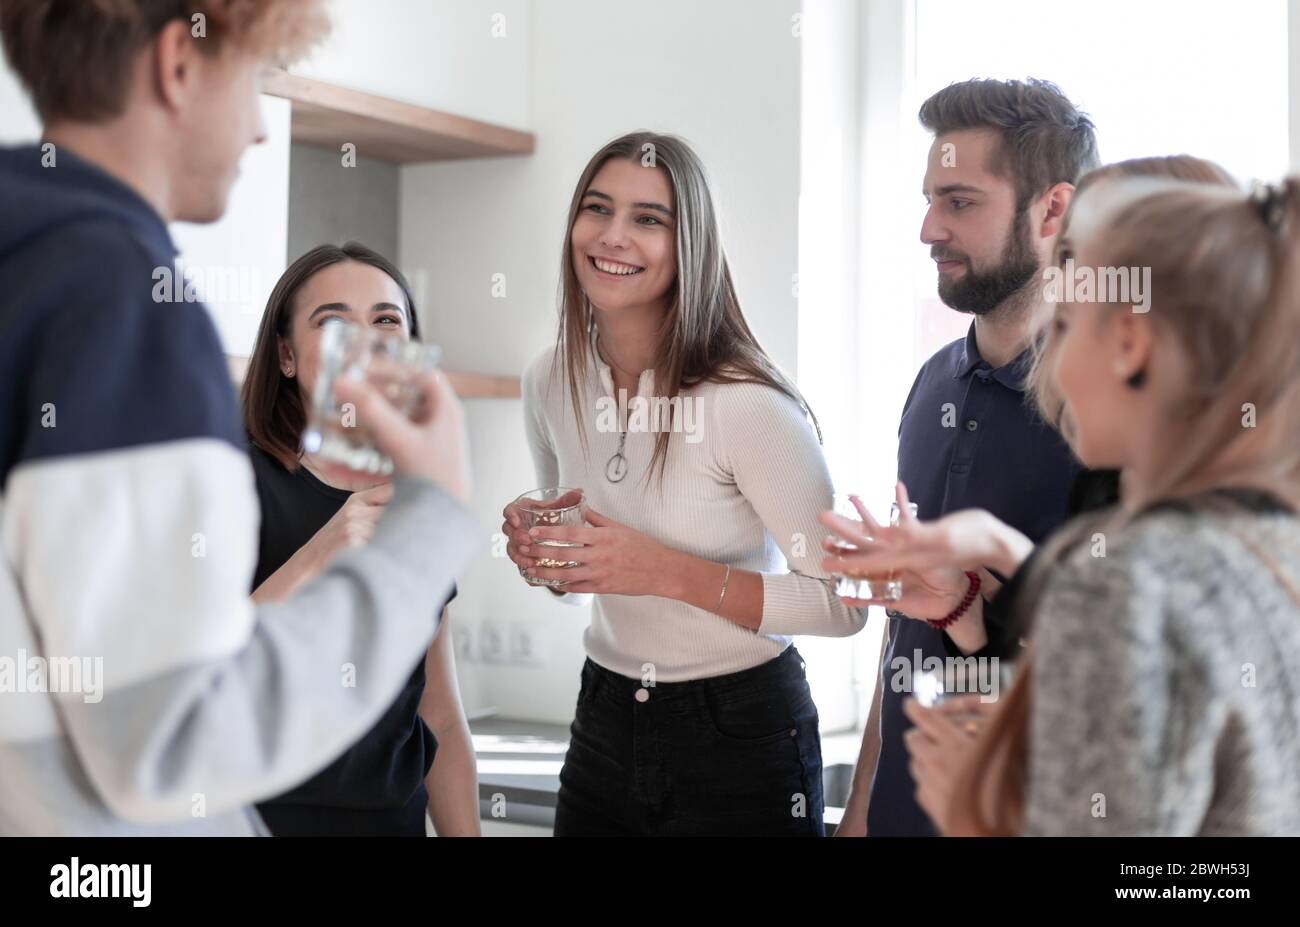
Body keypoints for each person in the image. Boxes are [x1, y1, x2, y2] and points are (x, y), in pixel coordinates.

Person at [0, 1, 478, 835]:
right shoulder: (129, 300)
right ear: (176, 68)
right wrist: (432, 520)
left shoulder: (30, 252)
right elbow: (168, 743)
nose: (261, 129)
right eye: (255, 81)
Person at [501, 132, 865, 836]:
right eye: (597, 208)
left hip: (741, 728)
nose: (612, 235)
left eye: (648, 218)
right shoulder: (548, 379)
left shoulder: (748, 405)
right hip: (605, 713)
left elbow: (843, 603)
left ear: (689, 242)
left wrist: (665, 571)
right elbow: (576, 567)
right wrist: (540, 554)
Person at [918, 174, 1300, 836]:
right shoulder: (1275, 546)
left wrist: (979, 817)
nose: (1052, 365)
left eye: (1063, 323)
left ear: (1129, 342)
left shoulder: (1124, 579)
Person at [834, 78, 1099, 837]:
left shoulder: (1113, 409)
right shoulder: (931, 383)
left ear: (1053, 210)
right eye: (928, 199)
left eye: (959, 202)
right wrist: (861, 810)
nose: (927, 228)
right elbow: (904, 624)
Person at [242, 242, 480, 836]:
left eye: (385, 321)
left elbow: (439, 716)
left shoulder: (417, 496)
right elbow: (195, 676)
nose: (365, 341)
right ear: (287, 356)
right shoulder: (230, 481)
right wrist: (321, 552)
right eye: (333, 322)